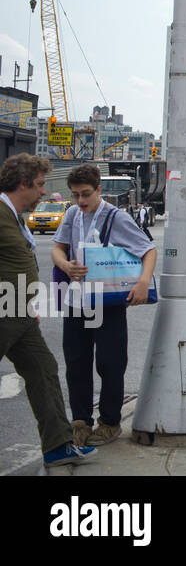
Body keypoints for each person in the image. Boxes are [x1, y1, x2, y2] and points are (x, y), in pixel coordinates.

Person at [52, 163, 158, 447]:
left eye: (86, 194)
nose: (81, 201)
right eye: (75, 195)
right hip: (77, 301)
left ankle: (110, 422)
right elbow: (57, 247)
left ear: (99, 190)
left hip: (108, 301)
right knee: (76, 363)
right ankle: (81, 422)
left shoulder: (116, 217)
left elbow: (148, 249)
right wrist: (64, 264)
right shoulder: (72, 214)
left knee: (110, 363)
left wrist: (143, 283)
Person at [0, 154, 95, 467]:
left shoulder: (13, 215)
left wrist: (25, 303)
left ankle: (57, 446)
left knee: (44, 369)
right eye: (39, 185)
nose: (43, 192)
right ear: (23, 183)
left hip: (19, 313)